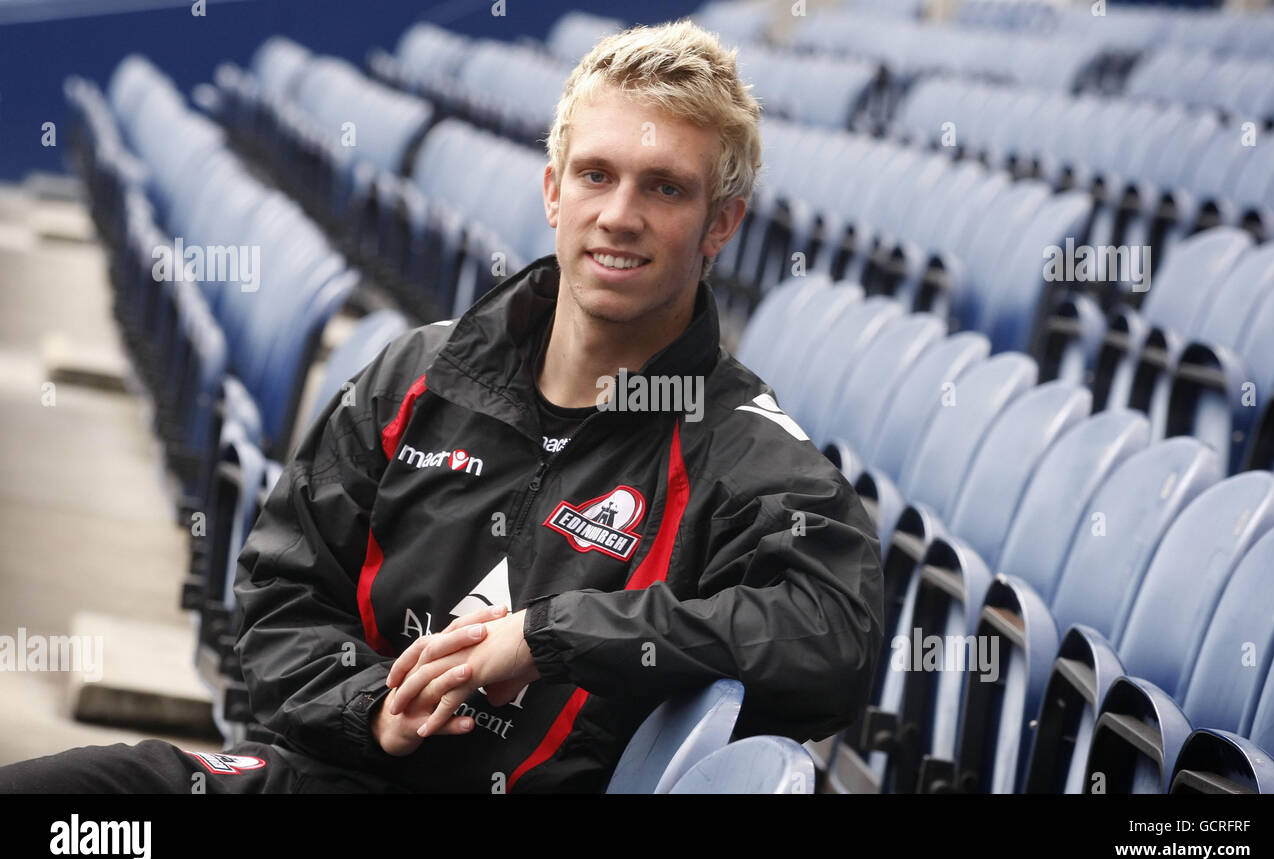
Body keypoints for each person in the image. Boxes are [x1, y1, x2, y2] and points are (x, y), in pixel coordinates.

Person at [0, 19, 882, 794]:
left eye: (665, 187)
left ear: (721, 224)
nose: (620, 215)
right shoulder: (421, 373)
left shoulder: (740, 446)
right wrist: (370, 707)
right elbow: (279, 592)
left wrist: (548, 637)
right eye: (596, 175)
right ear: (553, 191)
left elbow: (831, 638)